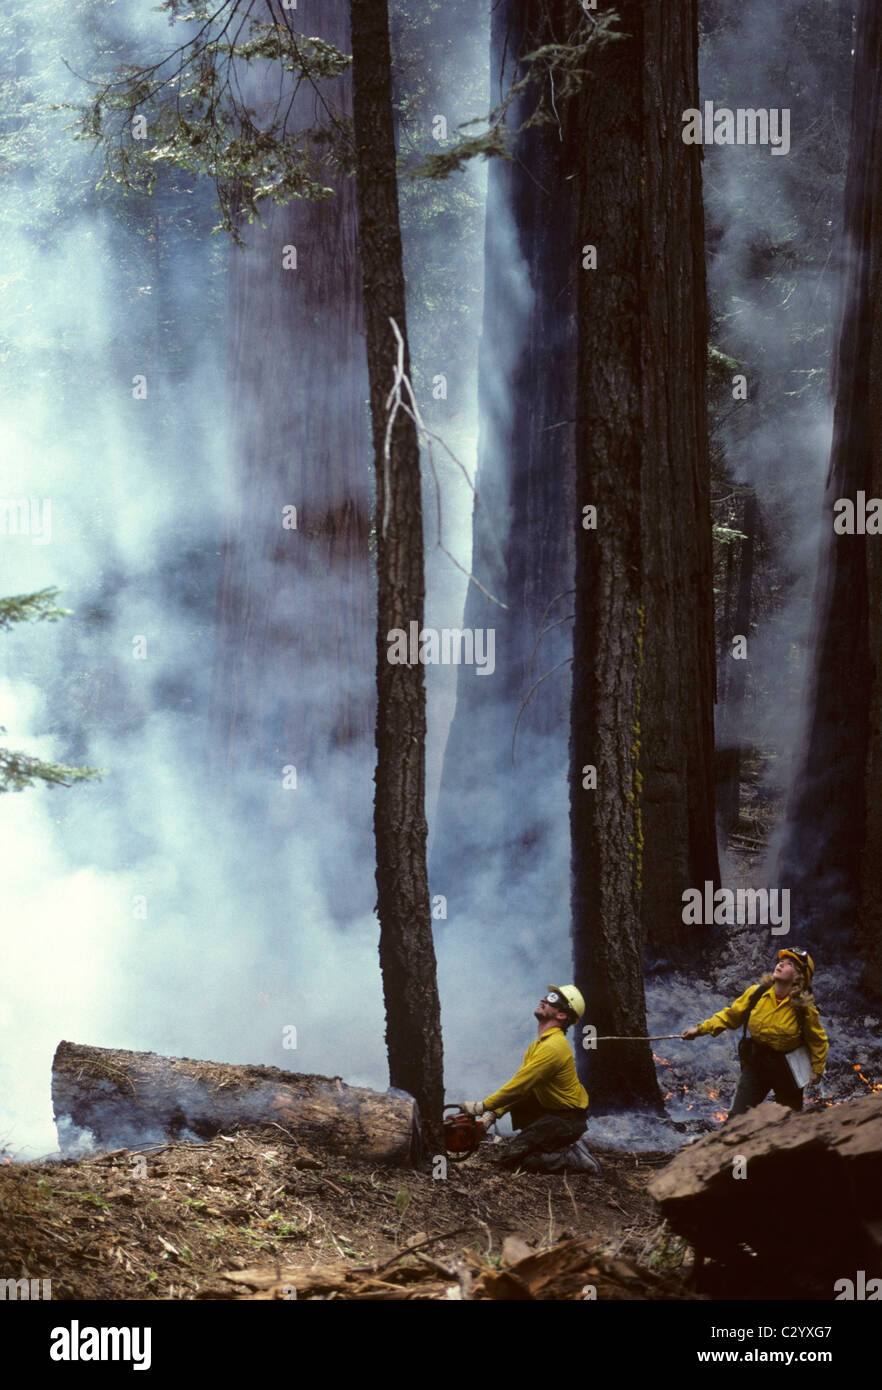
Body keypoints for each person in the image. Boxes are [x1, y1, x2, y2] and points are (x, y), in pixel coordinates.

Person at [459, 985, 601, 1173]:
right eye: (547, 996)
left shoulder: (553, 1048)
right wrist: (492, 1115)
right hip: (549, 1110)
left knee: (513, 1158)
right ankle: (548, 1142)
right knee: (524, 1102)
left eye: (552, 999)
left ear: (562, 1015)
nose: (544, 999)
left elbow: (520, 1086)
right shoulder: (540, 1044)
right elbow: (524, 1088)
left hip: (566, 1119)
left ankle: (573, 1157)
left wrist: (482, 1106)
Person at [681, 948, 828, 1118]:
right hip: (757, 1064)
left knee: (791, 1122)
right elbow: (730, 1016)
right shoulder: (756, 993)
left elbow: (818, 1040)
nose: (781, 964)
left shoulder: (804, 1009)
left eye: (790, 964)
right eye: (781, 960)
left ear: (798, 978)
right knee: (737, 1119)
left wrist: (817, 1070)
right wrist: (699, 1030)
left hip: (787, 1070)